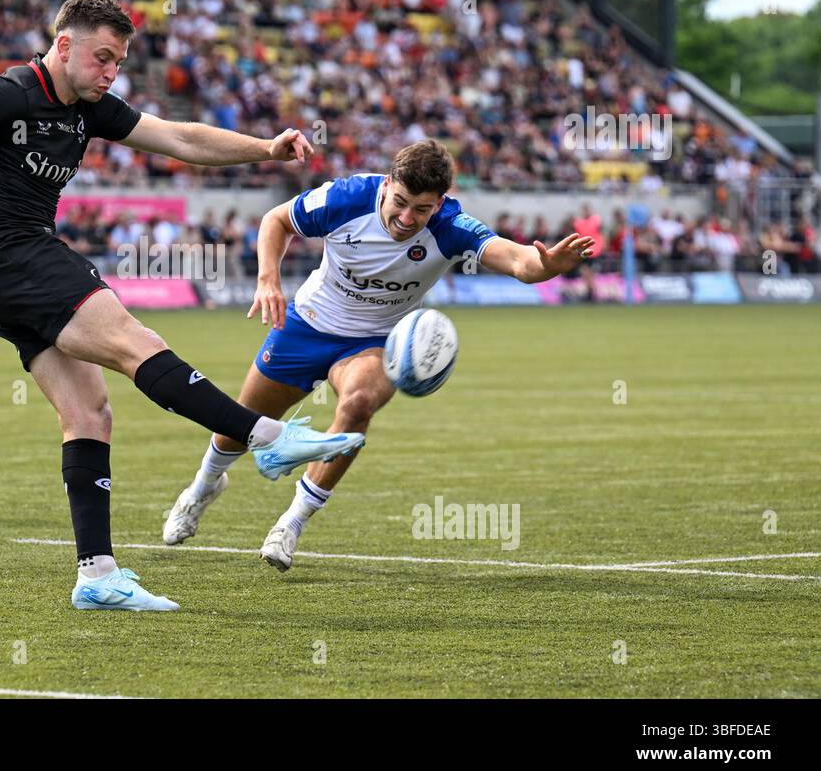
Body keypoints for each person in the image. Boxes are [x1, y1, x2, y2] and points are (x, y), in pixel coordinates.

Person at [0, 0, 362, 612]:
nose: (110, 72)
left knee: (89, 416)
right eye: (102, 58)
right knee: (137, 343)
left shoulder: (90, 109)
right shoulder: (12, 93)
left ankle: (96, 576)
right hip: (17, 257)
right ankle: (266, 435)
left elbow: (180, 137)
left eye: (119, 63)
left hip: (6, 278)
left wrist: (263, 148)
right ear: (64, 46)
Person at [162, 140, 597, 570]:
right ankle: (202, 487)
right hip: (306, 326)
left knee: (359, 404)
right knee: (237, 428)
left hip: (372, 343)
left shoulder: (451, 225)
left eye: (421, 210)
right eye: (401, 202)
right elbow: (277, 220)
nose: (407, 219)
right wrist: (267, 279)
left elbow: (519, 260)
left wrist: (547, 266)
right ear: (387, 184)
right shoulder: (347, 196)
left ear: (439, 203)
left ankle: (291, 524)